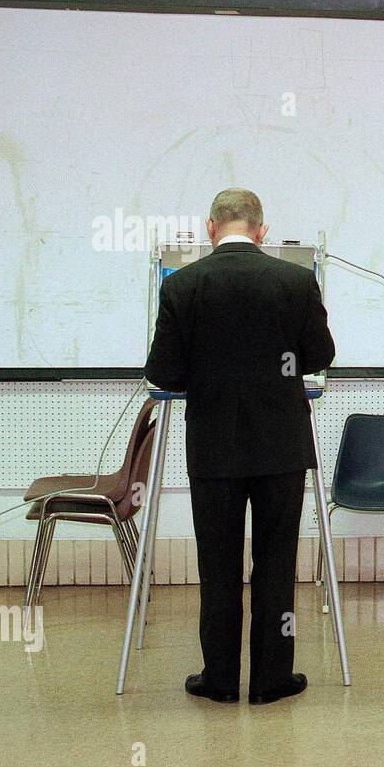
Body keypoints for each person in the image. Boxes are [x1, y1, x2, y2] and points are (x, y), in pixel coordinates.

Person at [145, 188, 336, 705]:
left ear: (211, 228)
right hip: (280, 448)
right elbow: (321, 354)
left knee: (218, 566)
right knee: (276, 565)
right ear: (261, 230)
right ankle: (273, 679)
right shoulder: (296, 280)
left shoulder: (183, 285)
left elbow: (161, 371)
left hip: (213, 449)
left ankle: (220, 680)